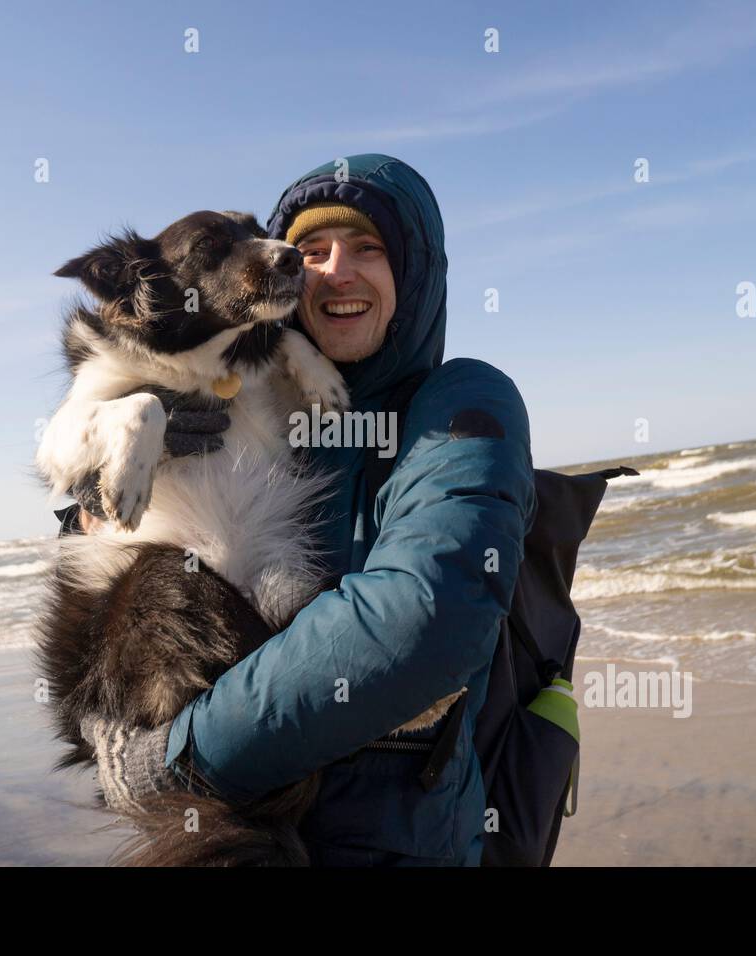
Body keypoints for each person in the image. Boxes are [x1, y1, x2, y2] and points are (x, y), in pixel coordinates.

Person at [73, 154, 537, 866]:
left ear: (415, 276)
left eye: (369, 249)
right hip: (232, 835)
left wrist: (174, 757)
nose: (333, 272)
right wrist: (94, 488)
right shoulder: (260, 395)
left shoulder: (462, 402)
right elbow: (137, 554)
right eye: (312, 252)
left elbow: (423, 620)